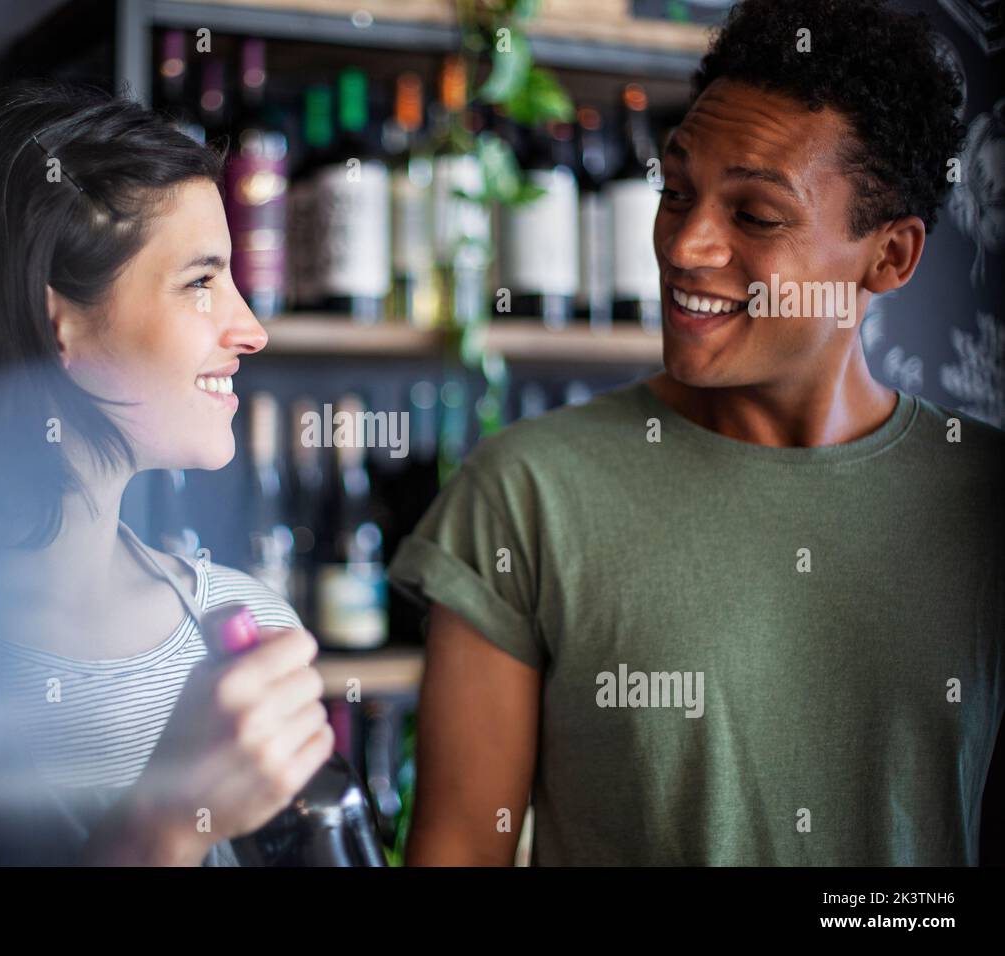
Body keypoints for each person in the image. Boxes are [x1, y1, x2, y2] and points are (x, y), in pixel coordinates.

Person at [388, 0, 1004, 865]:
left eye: (755, 216)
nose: (685, 246)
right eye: (677, 192)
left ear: (890, 257)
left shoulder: (982, 505)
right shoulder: (526, 494)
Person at [0, 81, 334, 866]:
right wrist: (161, 823)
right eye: (200, 282)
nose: (251, 331)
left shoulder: (242, 628)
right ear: (57, 322)